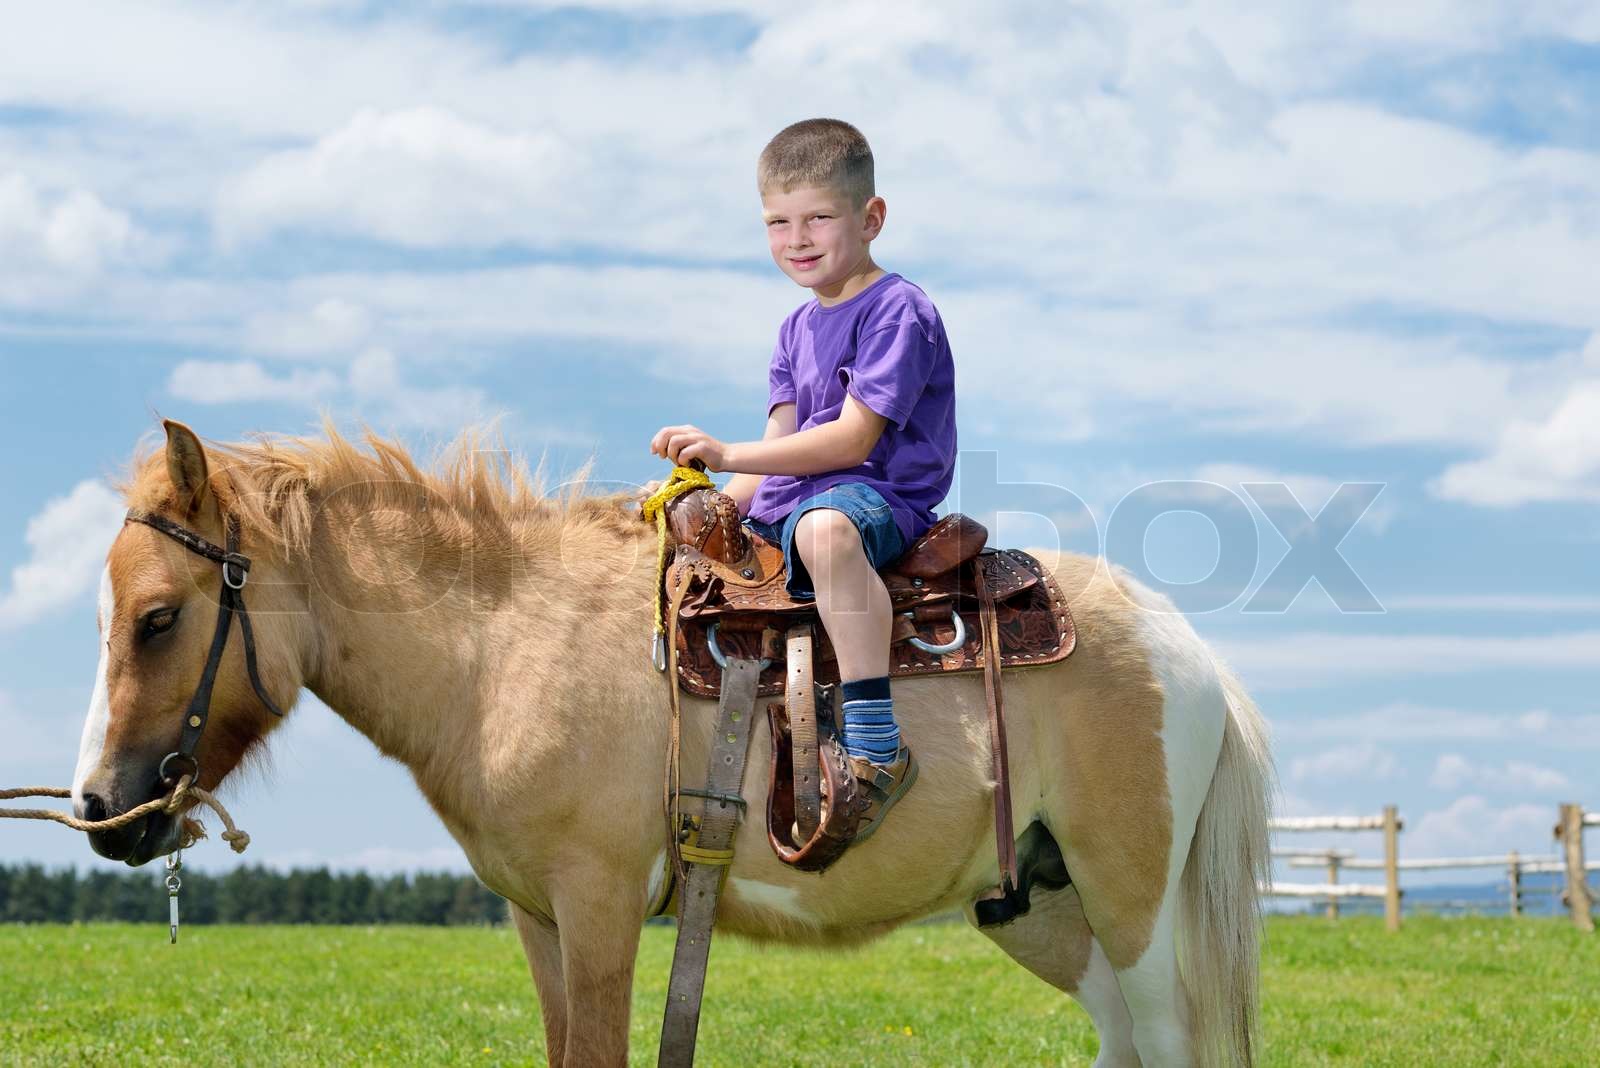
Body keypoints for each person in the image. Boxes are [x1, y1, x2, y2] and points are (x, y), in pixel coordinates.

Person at [649, 118, 956, 839]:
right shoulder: (794, 329)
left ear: (870, 218)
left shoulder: (898, 310)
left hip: (877, 494)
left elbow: (852, 438)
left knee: (824, 533)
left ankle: (877, 741)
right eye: (777, 222)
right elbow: (779, 446)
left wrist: (725, 453)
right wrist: (706, 506)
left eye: (819, 218)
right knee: (683, 548)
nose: (798, 239)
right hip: (793, 498)